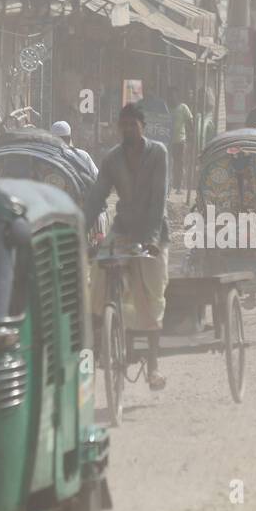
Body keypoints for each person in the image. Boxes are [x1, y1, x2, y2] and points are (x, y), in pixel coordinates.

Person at [85, 102, 171, 391]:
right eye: (123, 126)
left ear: (142, 127)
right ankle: (103, 334)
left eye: (133, 125)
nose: (128, 130)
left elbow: (158, 200)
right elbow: (97, 196)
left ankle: (154, 367)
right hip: (122, 229)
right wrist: (79, 230)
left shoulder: (158, 153)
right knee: (97, 274)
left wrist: (153, 239)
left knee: (151, 293)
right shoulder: (111, 159)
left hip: (153, 233)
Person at [169, 88, 193, 191]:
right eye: (170, 96)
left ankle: (179, 186)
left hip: (181, 140)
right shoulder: (167, 108)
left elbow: (190, 121)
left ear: (177, 97)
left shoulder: (183, 107)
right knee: (170, 163)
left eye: (174, 96)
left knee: (180, 163)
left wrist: (191, 134)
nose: (172, 98)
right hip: (169, 141)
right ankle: (170, 185)